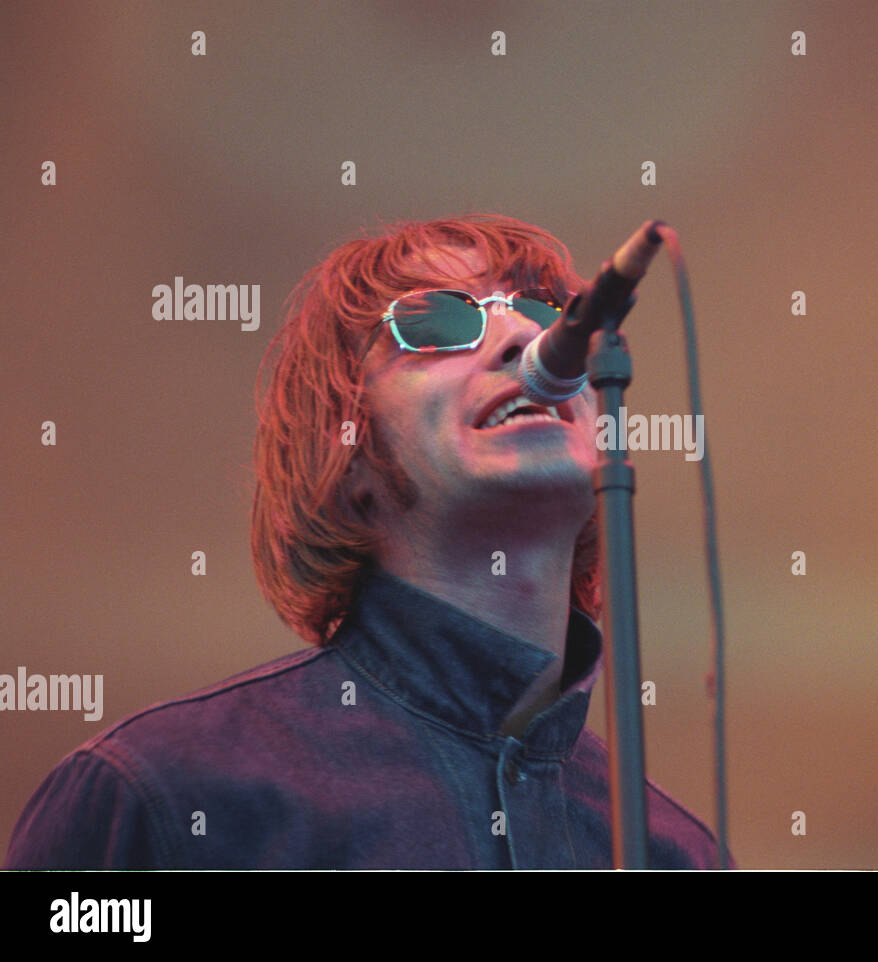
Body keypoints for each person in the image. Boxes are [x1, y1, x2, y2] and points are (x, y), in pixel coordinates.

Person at [5, 214, 724, 869]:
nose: (523, 338)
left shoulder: (677, 854)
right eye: (438, 320)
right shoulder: (161, 794)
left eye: (542, 313)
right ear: (345, 455)